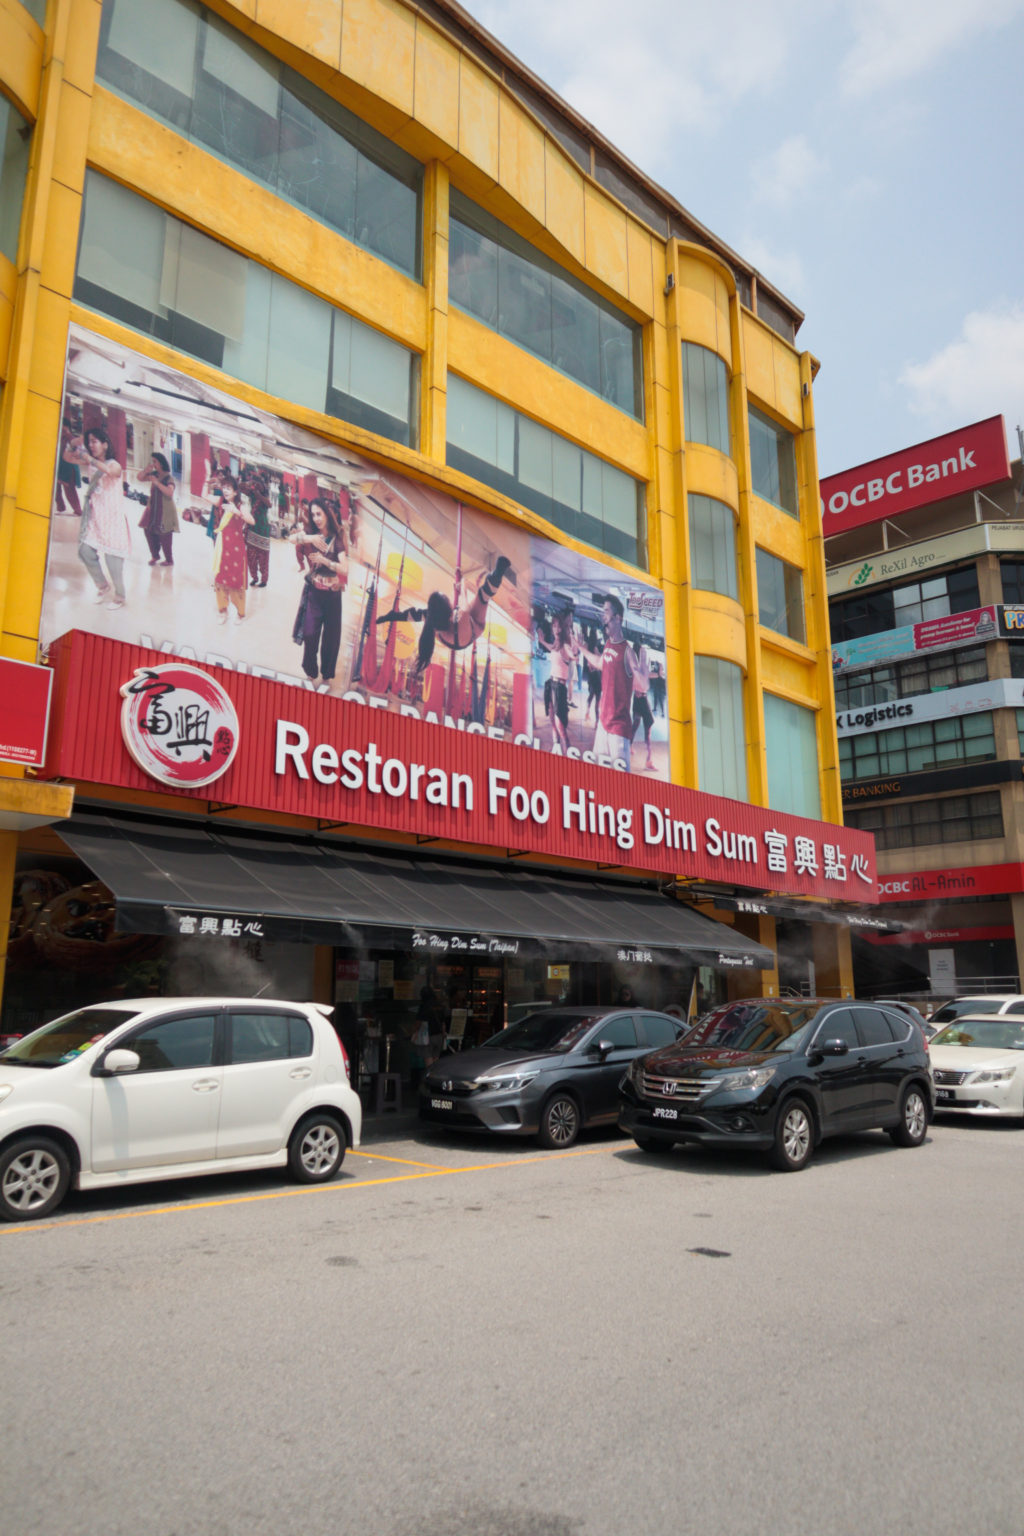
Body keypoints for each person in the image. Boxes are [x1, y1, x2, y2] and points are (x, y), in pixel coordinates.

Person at [376, 554, 514, 689]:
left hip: (456, 629)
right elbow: (464, 602)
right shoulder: (462, 618)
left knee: (481, 595)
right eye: (448, 600)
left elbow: (410, 616)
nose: (449, 599)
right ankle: (500, 570)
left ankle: (496, 574)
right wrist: (462, 585)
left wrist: (390, 616)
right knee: (483, 595)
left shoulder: (432, 619)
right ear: (449, 611)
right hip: (471, 629)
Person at [66, 425, 131, 609]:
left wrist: (89, 459)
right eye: (89, 442)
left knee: (114, 564)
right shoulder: (90, 461)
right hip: (96, 520)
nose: (91, 445)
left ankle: (119, 596)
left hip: (113, 521)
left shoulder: (113, 463)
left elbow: (113, 472)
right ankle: (102, 585)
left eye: (95, 441)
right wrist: (72, 443)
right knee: (85, 551)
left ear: (105, 444)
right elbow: (66, 457)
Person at [577, 594, 641, 770]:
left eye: (606, 611)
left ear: (618, 618)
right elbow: (599, 663)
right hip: (603, 725)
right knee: (599, 778)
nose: (603, 616)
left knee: (619, 786)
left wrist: (644, 675)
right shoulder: (608, 645)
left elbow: (641, 681)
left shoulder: (628, 652)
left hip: (619, 729)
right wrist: (582, 648)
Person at [291, 498, 347, 682]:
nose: (316, 518)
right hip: (314, 594)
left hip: (332, 596)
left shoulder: (337, 539)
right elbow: (291, 537)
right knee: (310, 633)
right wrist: (310, 538)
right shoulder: (311, 533)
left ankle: (327, 673)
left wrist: (325, 561)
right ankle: (310, 670)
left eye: (319, 514)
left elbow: (344, 569)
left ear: (326, 514)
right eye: (313, 514)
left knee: (331, 639)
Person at [212, 473, 253, 623]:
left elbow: (251, 521)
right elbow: (203, 495)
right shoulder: (221, 502)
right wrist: (206, 479)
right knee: (220, 578)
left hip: (236, 549)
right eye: (224, 487)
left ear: (236, 491)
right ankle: (222, 611)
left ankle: (240, 613)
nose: (225, 490)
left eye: (229, 488)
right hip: (223, 547)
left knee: (236, 581)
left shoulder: (241, 505)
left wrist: (237, 511)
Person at [536, 607, 579, 752]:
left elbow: (573, 656)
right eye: (553, 625)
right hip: (551, 683)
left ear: (562, 628)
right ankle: (556, 750)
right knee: (553, 722)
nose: (555, 628)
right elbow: (551, 647)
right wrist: (541, 641)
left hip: (559, 687)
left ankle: (569, 754)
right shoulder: (555, 644)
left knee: (560, 725)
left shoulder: (565, 645)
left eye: (558, 625)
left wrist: (575, 650)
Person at [137, 452, 179, 566]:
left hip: (165, 510)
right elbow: (139, 478)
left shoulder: (168, 477)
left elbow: (170, 492)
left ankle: (169, 560)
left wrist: (156, 482)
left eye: (155, 461)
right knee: (148, 530)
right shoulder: (154, 474)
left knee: (165, 535)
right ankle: (155, 555)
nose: (153, 464)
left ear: (161, 463)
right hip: (152, 508)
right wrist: (146, 471)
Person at [630, 644, 656, 772]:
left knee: (636, 725)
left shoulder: (641, 668)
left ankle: (629, 747)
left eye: (644, 653)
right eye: (642, 652)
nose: (644, 654)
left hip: (639, 699)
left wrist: (659, 673)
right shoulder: (638, 667)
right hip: (641, 700)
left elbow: (651, 675)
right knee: (646, 728)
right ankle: (648, 761)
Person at [54, 416, 83, 516]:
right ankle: (60, 507)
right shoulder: (59, 437)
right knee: (56, 488)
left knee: (70, 490)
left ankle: (78, 510)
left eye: (64, 430)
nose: (62, 431)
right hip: (59, 466)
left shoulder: (71, 438)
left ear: (67, 428)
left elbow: (77, 452)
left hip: (69, 468)